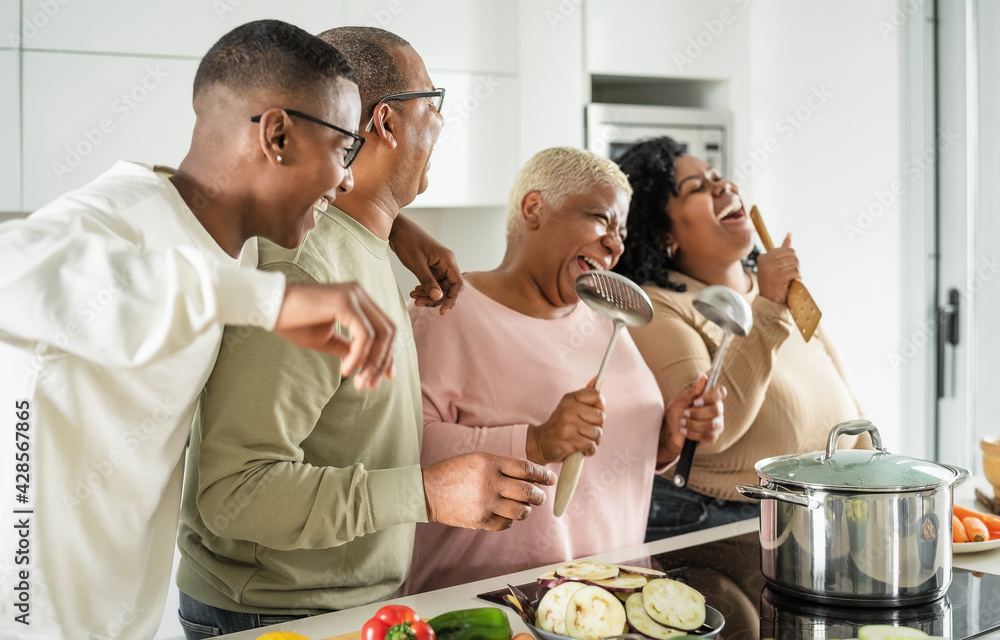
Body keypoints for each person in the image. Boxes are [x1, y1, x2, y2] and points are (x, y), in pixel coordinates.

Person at [0, 20, 404, 640]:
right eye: (344, 148)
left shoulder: (226, 241)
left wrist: (402, 231)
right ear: (277, 135)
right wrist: (275, 302)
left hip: (121, 618)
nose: (348, 177)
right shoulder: (113, 218)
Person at [174, 27, 555, 639]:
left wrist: (398, 223)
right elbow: (235, 493)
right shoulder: (303, 270)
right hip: (274, 614)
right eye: (434, 106)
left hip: (341, 605)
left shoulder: (367, 242)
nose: (440, 127)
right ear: (384, 123)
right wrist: (428, 492)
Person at [402, 147, 726, 595]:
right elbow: (401, 449)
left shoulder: (608, 320)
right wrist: (535, 440)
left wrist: (668, 439)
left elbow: (613, 455)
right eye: (601, 219)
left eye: (623, 231)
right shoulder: (445, 310)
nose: (616, 244)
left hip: (615, 600)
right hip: (493, 606)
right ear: (534, 209)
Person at [612, 136, 866, 540]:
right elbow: (708, 435)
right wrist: (768, 306)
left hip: (819, 522)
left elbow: (852, 416)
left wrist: (886, 488)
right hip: (721, 524)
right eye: (697, 187)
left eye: (717, 176)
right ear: (663, 235)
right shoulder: (660, 308)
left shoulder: (781, 296)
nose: (723, 186)